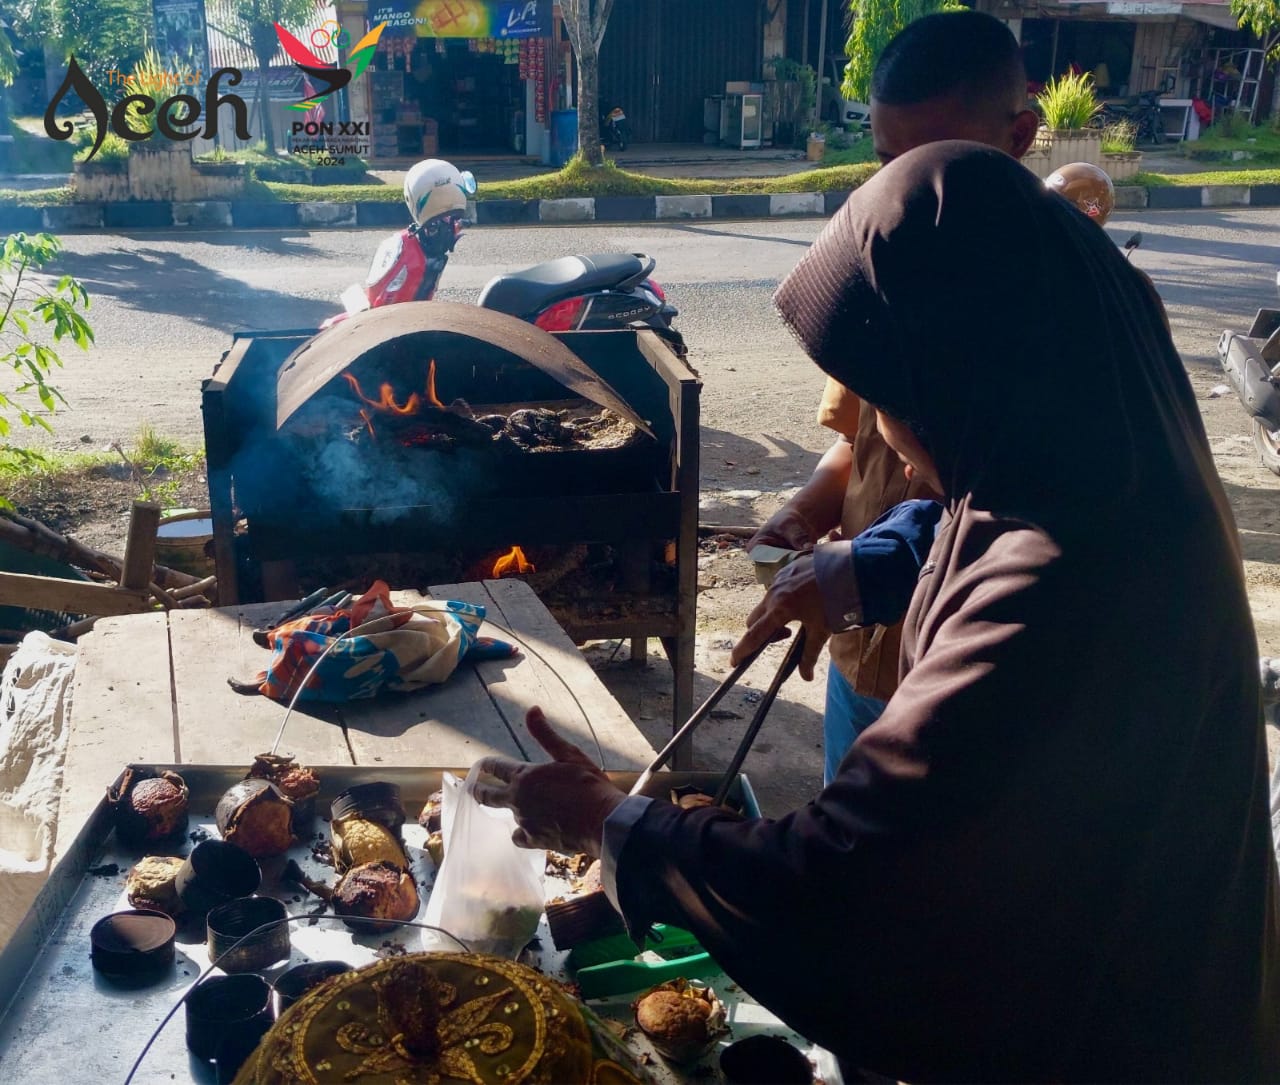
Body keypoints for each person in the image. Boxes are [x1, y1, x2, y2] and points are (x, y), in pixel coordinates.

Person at [474, 142, 1280, 1080]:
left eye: (883, 400)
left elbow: (844, 891)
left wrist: (610, 821)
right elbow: (962, 516)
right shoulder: (1108, 444)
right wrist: (849, 570)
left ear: (950, 385)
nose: (881, 434)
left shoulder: (1050, 594)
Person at [735, 11, 1040, 785]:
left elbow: (1001, 510)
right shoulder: (883, 281)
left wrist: (848, 574)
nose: (901, 194)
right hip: (861, 657)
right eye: (883, 162)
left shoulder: (1054, 309)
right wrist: (814, 518)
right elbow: (866, 448)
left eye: (937, 163)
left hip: (963, 672)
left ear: (1021, 136)